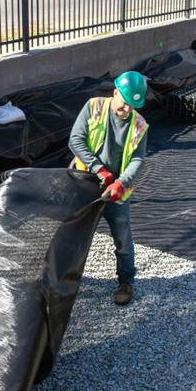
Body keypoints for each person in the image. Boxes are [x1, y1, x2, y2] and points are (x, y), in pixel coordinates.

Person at [69, 71, 149, 306]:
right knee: (73, 236)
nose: (126, 111)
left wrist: (121, 182)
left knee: (123, 239)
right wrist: (99, 169)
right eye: (124, 104)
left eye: (132, 107)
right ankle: (65, 281)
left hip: (116, 191)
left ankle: (126, 281)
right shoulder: (93, 107)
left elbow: (138, 160)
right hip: (85, 183)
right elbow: (75, 139)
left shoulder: (139, 125)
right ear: (115, 93)